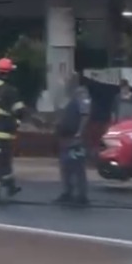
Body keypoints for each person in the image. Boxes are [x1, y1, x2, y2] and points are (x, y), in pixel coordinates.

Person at [0, 57, 30, 205]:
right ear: (8, 73)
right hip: (4, 132)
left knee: (5, 159)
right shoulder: (10, 90)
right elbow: (19, 111)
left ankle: (9, 185)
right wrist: (22, 118)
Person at [54, 73, 91, 207]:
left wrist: (80, 132)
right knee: (65, 166)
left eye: (70, 80)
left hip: (75, 138)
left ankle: (81, 195)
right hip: (65, 137)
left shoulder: (81, 95)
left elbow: (85, 115)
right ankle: (67, 192)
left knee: (77, 167)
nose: (67, 82)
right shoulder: (69, 96)